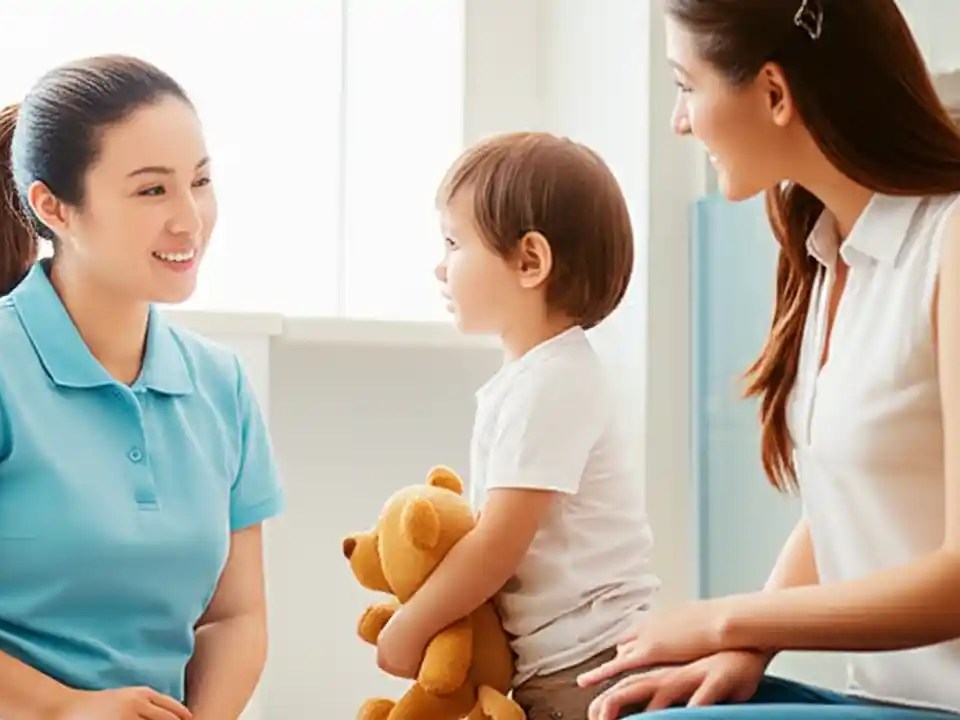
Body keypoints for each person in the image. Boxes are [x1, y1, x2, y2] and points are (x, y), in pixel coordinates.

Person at [0, 54, 285, 720]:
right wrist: (63, 708)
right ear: (54, 207)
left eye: (201, 180)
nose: (190, 219)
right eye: (151, 191)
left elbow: (234, 616)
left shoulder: (220, 386)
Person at [575, 0, 960, 718]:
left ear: (775, 94)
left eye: (686, 86)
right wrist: (743, 648)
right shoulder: (826, 251)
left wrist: (729, 621)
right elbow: (851, 497)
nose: (679, 121)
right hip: (886, 700)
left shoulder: (950, 242)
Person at [373, 131, 661, 720]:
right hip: (567, 661)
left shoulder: (553, 382)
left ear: (530, 261)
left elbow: (499, 543)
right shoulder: (535, 377)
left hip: (591, 664)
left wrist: (413, 623)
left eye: (453, 242)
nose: (439, 265)